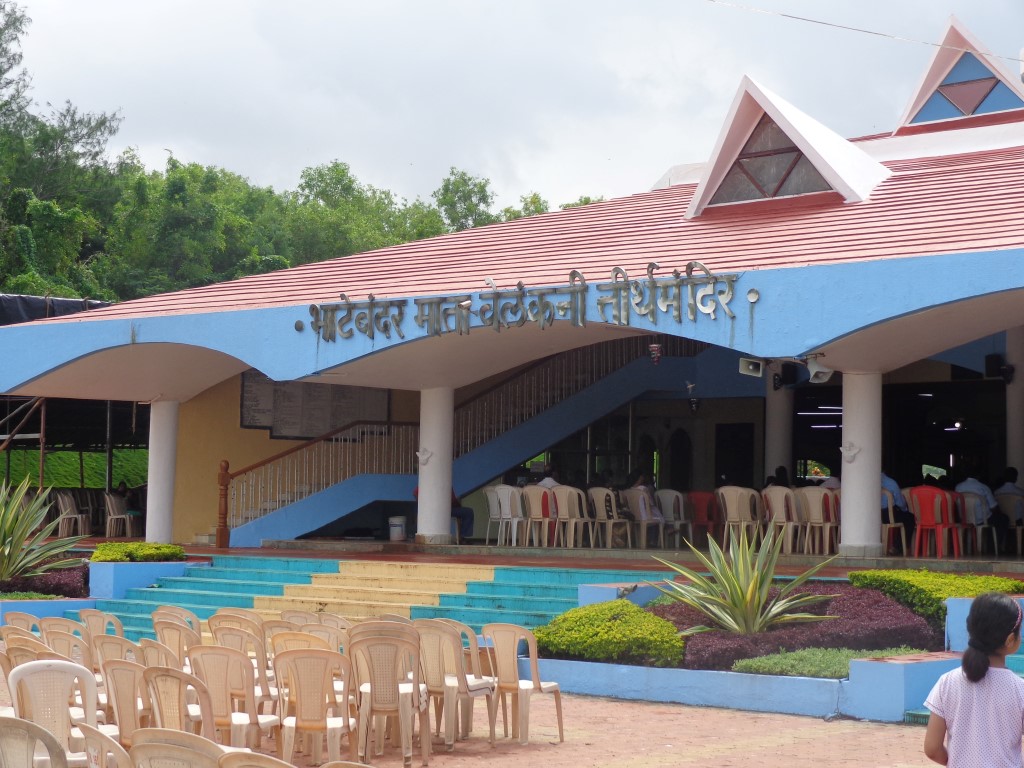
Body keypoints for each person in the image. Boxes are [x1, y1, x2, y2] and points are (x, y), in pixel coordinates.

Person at [924, 592, 1024, 766]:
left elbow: (932, 748)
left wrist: (956, 761)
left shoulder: (946, 683)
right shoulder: (1019, 689)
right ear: (1010, 640)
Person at [955, 469, 1009, 554]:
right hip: (982, 519)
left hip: (965, 519)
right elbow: (993, 507)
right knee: (1003, 519)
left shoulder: (958, 487)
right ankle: (993, 547)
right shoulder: (983, 487)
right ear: (978, 476)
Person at [882, 471, 915, 554]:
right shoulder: (891, 483)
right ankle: (897, 547)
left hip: (876, 517)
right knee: (910, 518)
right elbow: (901, 503)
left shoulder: (871, 482)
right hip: (888, 515)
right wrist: (905, 510)